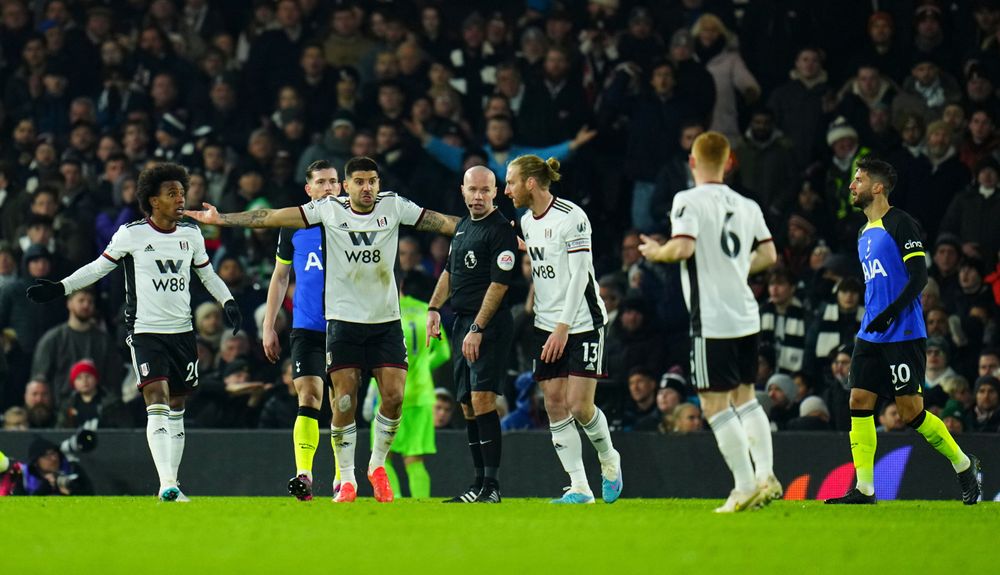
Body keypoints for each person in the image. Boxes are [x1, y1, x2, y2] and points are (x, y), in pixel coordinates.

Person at [184, 156, 459, 503]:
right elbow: (269, 219)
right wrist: (221, 218)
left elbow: (443, 223)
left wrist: (487, 227)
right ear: (346, 186)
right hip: (338, 322)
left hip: (385, 320)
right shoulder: (325, 212)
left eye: (372, 181)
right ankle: (341, 480)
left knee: (394, 397)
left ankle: (375, 466)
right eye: (358, 181)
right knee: (338, 400)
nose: (367, 187)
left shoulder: (394, 205)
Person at [25, 162, 242, 502]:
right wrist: (61, 287)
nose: (180, 198)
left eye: (182, 192)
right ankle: (168, 484)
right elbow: (99, 267)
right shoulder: (132, 234)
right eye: (172, 193)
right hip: (145, 331)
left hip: (183, 333)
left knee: (178, 405)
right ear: (154, 200)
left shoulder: (191, 234)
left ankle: (173, 481)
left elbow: (208, 274)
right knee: (155, 398)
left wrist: (228, 301)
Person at [824, 157, 981, 505]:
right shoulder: (864, 233)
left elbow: (920, 277)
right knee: (859, 400)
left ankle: (964, 464)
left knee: (911, 412)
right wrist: (873, 318)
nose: (852, 186)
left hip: (904, 332)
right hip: (871, 333)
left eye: (859, 179)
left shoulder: (900, 223)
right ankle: (864, 487)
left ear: (877, 187)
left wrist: (891, 313)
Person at [638, 131, 780, 513]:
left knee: (715, 405)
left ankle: (744, 485)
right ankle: (766, 474)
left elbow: (682, 247)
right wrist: (736, 269)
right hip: (747, 315)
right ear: (730, 162)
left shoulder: (687, 200)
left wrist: (656, 252)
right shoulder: (747, 204)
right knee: (746, 398)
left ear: (693, 163)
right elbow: (769, 254)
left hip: (712, 318)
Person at [504, 155, 622, 504]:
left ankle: (609, 459)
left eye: (510, 182)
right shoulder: (527, 221)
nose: (505, 189)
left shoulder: (572, 217)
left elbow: (578, 278)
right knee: (554, 404)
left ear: (529, 183)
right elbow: (540, 254)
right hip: (545, 323)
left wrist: (562, 328)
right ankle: (580, 487)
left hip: (582, 322)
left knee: (579, 406)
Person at [426, 165, 517, 503]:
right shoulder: (463, 226)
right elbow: (450, 272)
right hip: (461, 322)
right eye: (472, 190)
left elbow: (499, 283)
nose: (478, 196)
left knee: (482, 400)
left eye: (484, 190)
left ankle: (491, 487)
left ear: (495, 192)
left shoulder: (500, 230)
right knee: (466, 404)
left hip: (488, 325)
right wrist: (434, 308)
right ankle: (477, 484)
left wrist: (478, 327)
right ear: (462, 190)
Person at [261, 160, 341, 502]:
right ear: (308, 189)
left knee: (343, 404)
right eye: (321, 182)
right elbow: (281, 277)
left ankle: (342, 478)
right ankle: (304, 474)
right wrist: (268, 325)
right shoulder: (293, 226)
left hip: (345, 325)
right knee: (308, 395)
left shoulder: (353, 222)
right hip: (306, 327)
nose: (328, 187)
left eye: (333, 182)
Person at [364, 282, 451, 499]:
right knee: (415, 460)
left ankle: (395, 502)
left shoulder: (382, 313)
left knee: (384, 457)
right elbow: (444, 353)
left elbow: (377, 357)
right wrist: (422, 369)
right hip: (421, 394)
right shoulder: (425, 309)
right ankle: (421, 504)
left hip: (389, 392)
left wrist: (371, 390)